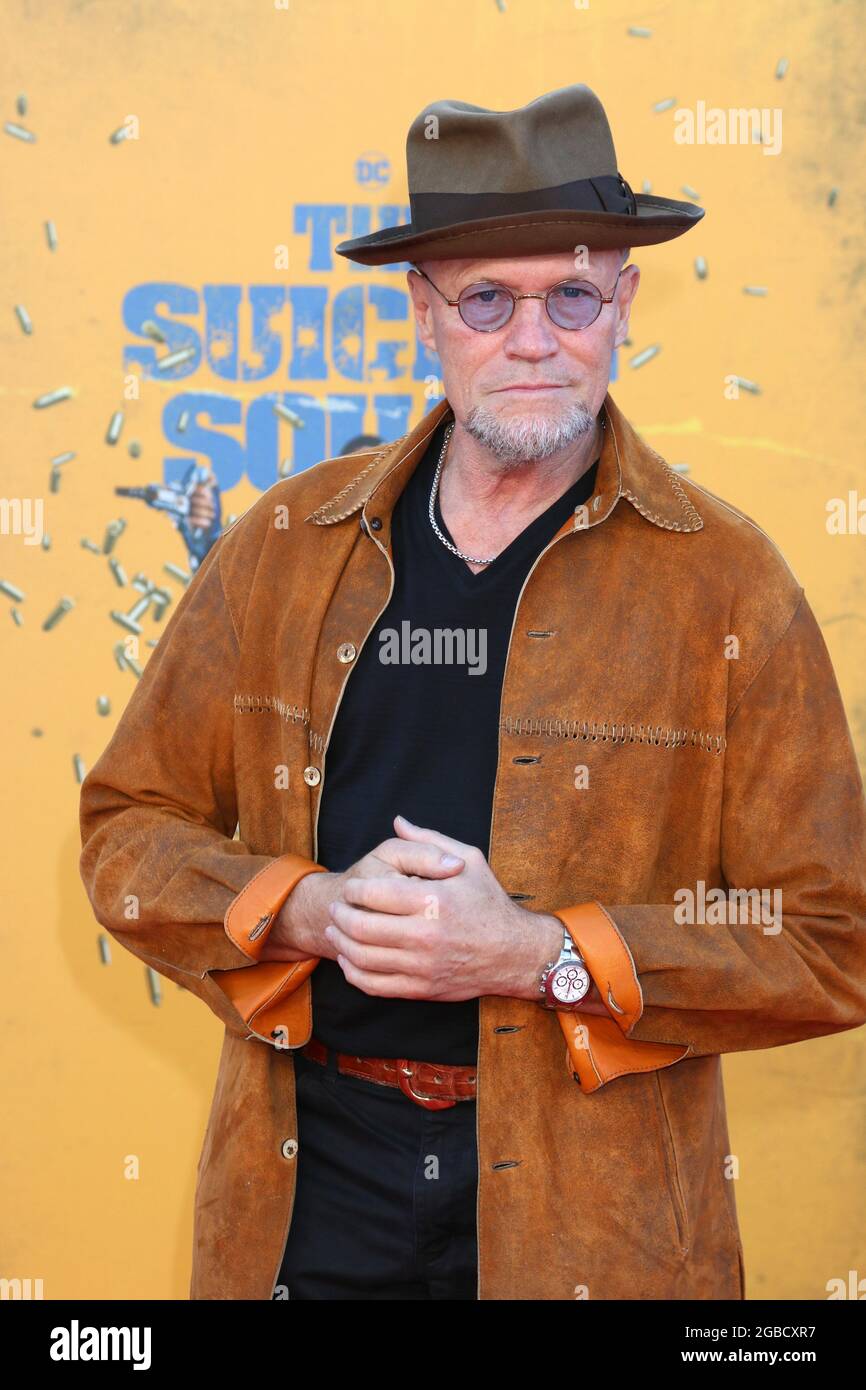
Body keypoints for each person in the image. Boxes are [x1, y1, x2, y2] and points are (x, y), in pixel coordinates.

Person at [78, 83, 866, 1302]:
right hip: (307, 1191)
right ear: (422, 313)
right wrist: (309, 911)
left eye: (572, 294)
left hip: (593, 1215)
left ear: (624, 304)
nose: (534, 337)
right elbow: (126, 828)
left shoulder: (728, 580)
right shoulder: (284, 543)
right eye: (487, 298)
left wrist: (536, 952)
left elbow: (829, 937)